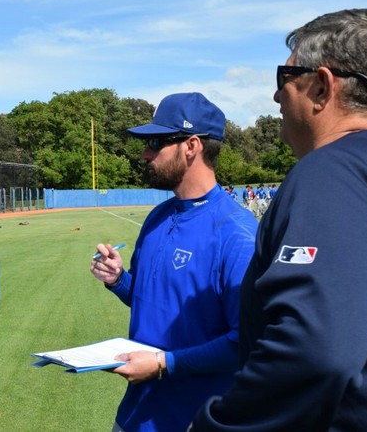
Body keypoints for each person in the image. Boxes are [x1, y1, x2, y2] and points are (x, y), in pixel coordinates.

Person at [191, 9, 367, 431]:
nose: (277, 96)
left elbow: (315, 351)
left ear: (321, 85)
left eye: (284, 77)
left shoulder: (334, 172)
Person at [90, 92, 258, 431]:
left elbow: (246, 341)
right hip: (135, 414)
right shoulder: (157, 217)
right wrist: (119, 279)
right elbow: (153, 299)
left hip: (193, 419)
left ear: (191, 146)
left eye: (155, 142)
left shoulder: (236, 234)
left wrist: (163, 364)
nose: (145, 153)